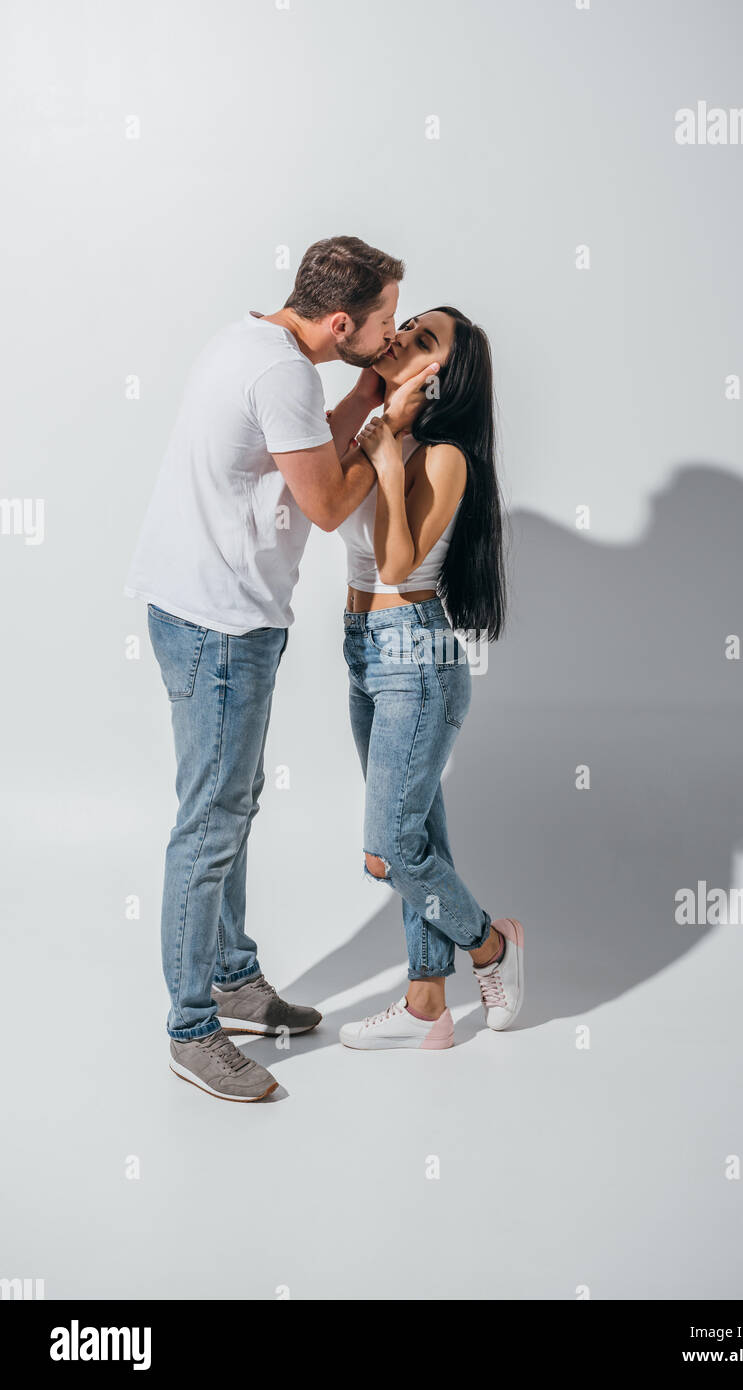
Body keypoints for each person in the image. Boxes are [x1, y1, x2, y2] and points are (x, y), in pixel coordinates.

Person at [124, 236, 432, 1101]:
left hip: (199, 609)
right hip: (221, 625)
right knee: (210, 821)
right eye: (383, 325)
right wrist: (387, 429)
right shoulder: (286, 375)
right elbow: (330, 503)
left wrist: (363, 397)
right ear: (342, 321)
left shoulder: (251, 342)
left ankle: (234, 979)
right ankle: (193, 1029)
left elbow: (299, 453)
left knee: (229, 803)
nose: (393, 334)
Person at [337, 307, 525, 1050]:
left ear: (441, 378)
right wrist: (380, 425)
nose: (399, 339)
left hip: (415, 654)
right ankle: (426, 1003)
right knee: (416, 842)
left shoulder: (441, 455)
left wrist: (386, 456)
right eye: (405, 327)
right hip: (364, 647)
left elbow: (394, 564)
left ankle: (492, 947)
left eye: (421, 342)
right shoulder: (388, 430)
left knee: (387, 848)